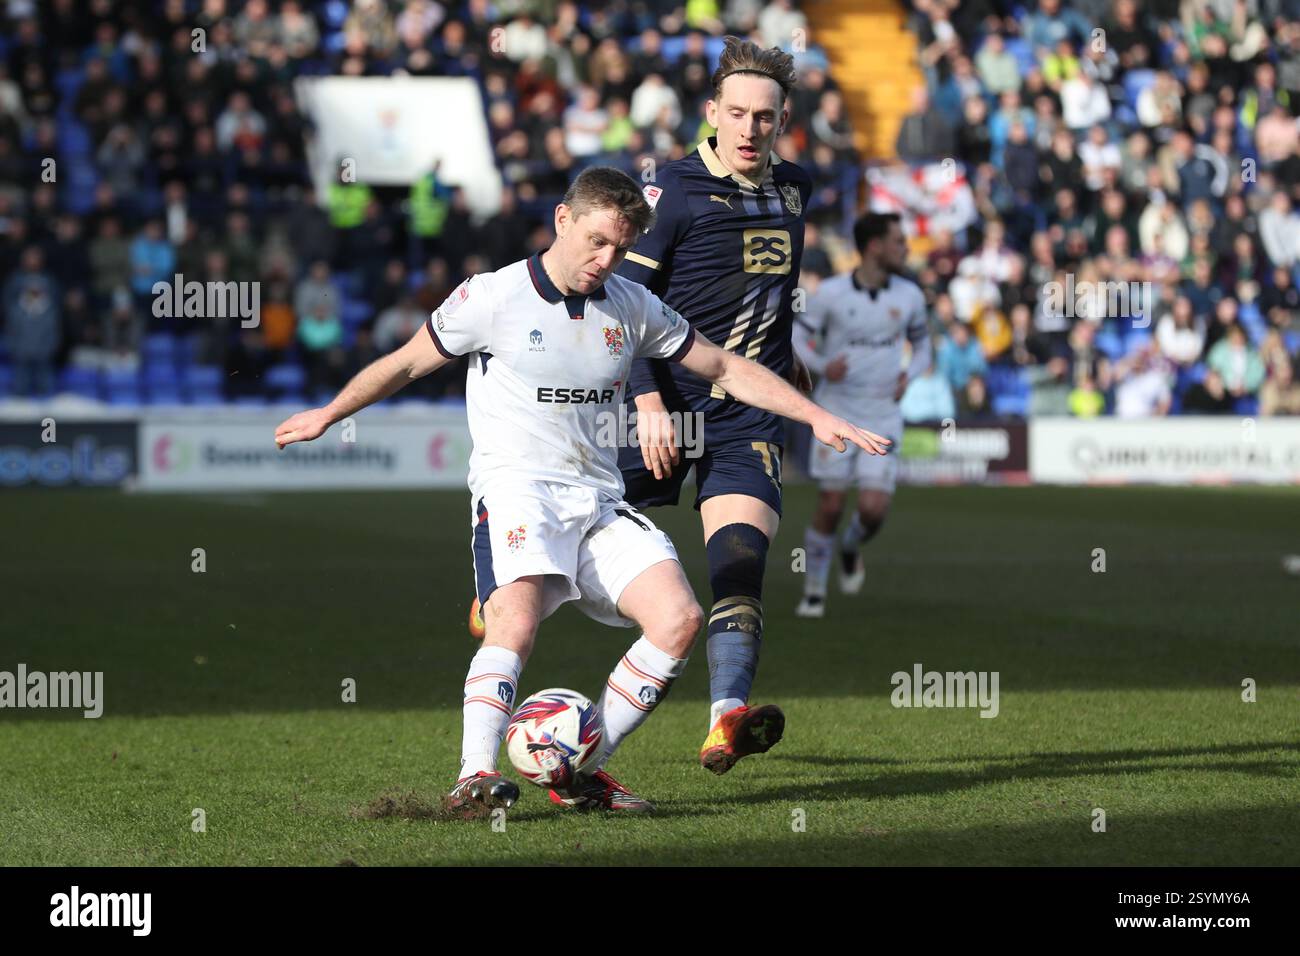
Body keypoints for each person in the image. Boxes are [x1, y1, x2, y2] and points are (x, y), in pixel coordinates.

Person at [274, 167, 889, 816]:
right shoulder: (491, 297)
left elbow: (725, 366)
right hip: (518, 494)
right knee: (512, 620)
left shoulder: (630, 304)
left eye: (620, 249)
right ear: (562, 220)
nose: (607, 260)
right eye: (596, 241)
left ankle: (579, 771)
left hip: (595, 501)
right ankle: (472, 777)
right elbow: (403, 362)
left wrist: (814, 415)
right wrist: (328, 414)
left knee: (678, 620)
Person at [613, 37, 815, 775]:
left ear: (782, 118)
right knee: (566, 538)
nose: (750, 128)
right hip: (662, 403)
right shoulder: (669, 194)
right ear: (712, 113)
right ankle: (499, 571)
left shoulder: (797, 188)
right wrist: (647, 402)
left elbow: (768, 286)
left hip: (746, 416)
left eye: (765, 116)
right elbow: (624, 306)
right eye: (737, 113)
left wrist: (792, 361)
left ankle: (725, 717)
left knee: (739, 566)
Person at [792, 213, 930, 618]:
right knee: (831, 503)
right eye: (898, 241)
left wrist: (911, 373)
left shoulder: (909, 295)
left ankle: (851, 546)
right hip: (837, 409)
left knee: (872, 509)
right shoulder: (832, 293)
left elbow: (923, 346)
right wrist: (820, 365)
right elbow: (797, 336)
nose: (905, 249)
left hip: (884, 412)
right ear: (874, 247)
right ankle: (814, 591)